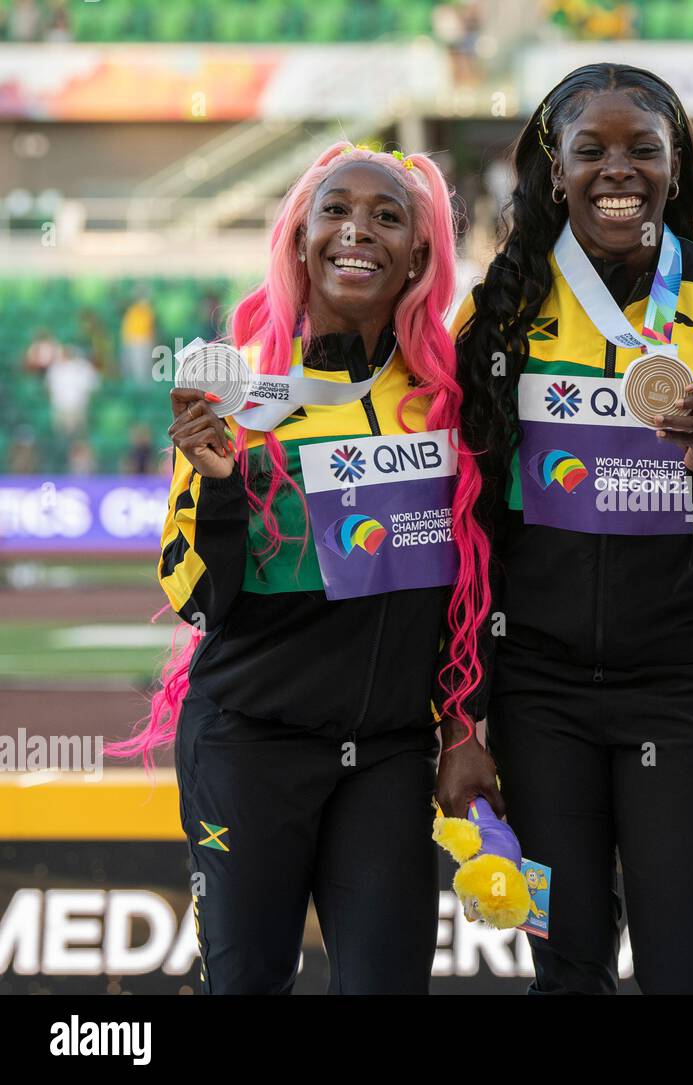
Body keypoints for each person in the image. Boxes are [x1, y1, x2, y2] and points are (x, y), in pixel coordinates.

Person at [108, 143, 497, 994]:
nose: (357, 230)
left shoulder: (447, 402)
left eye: (387, 216)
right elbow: (199, 598)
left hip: (388, 757)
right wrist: (218, 488)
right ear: (299, 241)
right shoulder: (235, 397)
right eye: (336, 211)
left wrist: (464, 731)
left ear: (420, 257)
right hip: (249, 748)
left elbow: (472, 596)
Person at [456, 63, 693, 994]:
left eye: (643, 149)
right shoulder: (501, 311)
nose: (619, 170)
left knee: (686, 973)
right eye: (590, 149)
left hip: (679, 690)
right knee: (565, 975)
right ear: (553, 169)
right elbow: (472, 516)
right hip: (538, 697)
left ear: (676, 165)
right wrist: (464, 703)